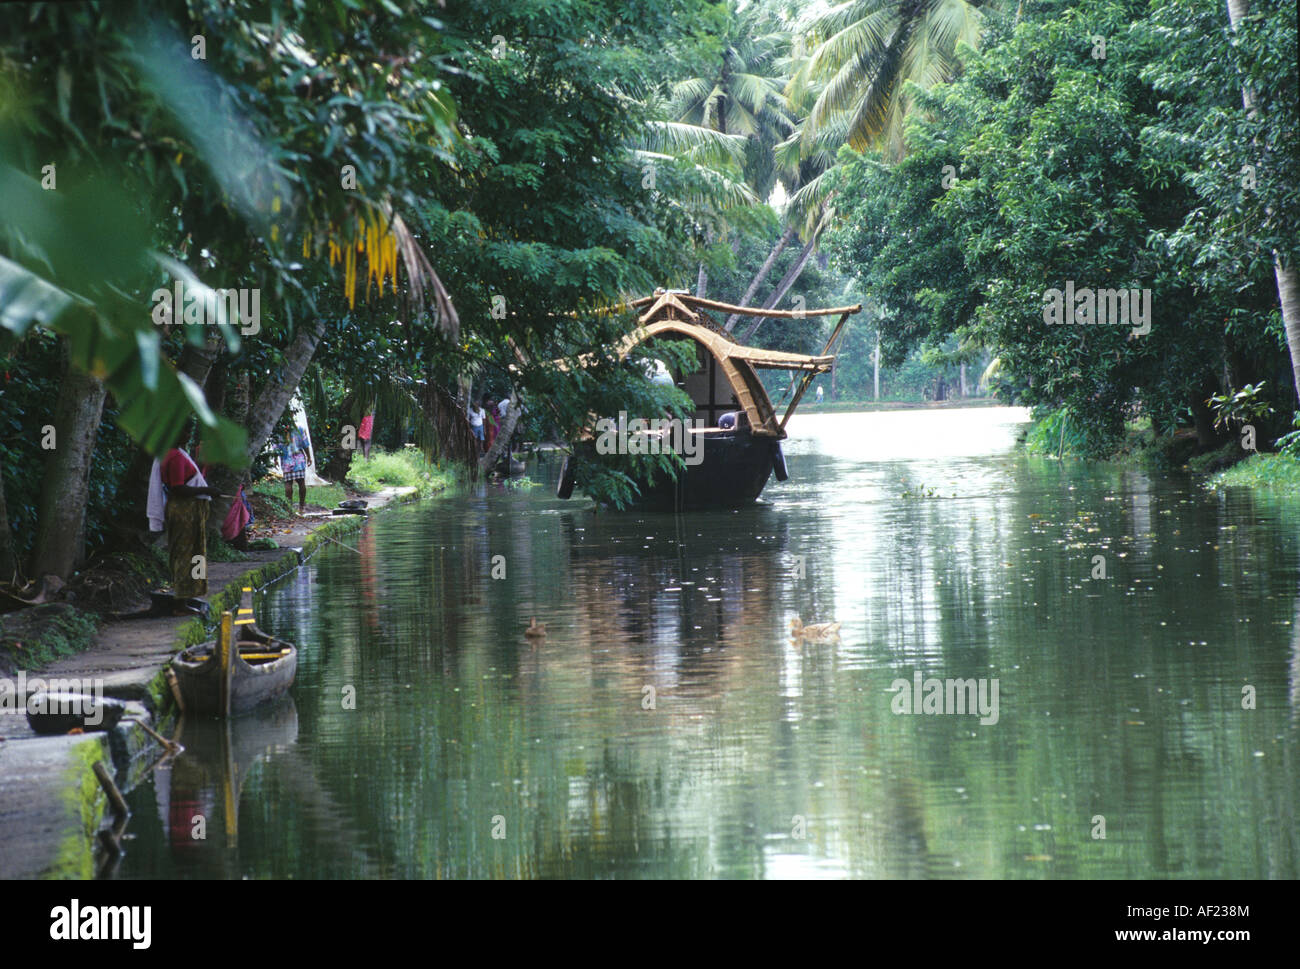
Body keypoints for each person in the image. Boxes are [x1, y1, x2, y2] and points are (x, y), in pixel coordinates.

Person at [147, 445, 219, 600]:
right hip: (185, 510)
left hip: (193, 510)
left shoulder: (177, 454)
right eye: (185, 431)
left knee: (197, 552)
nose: (188, 435)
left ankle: (196, 591)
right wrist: (206, 491)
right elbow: (178, 488)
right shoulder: (174, 456)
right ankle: (182, 598)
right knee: (185, 554)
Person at [279, 425, 310, 515]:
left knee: (288, 483)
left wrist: (276, 460)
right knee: (301, 483)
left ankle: (289, 508)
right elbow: (305, 444)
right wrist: (308, 456)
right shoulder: (299, 429)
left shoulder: (280, 430)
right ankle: (301, 506)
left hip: (286, 460)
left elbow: (276, 447)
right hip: (299, 460)